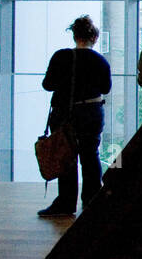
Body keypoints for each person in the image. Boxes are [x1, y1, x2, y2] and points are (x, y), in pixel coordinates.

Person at [38, 15, 111, 218]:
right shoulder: (100, 61)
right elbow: (106, 88)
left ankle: (65, 202)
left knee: (66, 155)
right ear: (94, 38)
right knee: (90, 155)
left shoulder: (61, 57)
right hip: (92, 112)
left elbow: (48, 85)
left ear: (74, 36)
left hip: (65, 114)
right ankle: (91, 199)